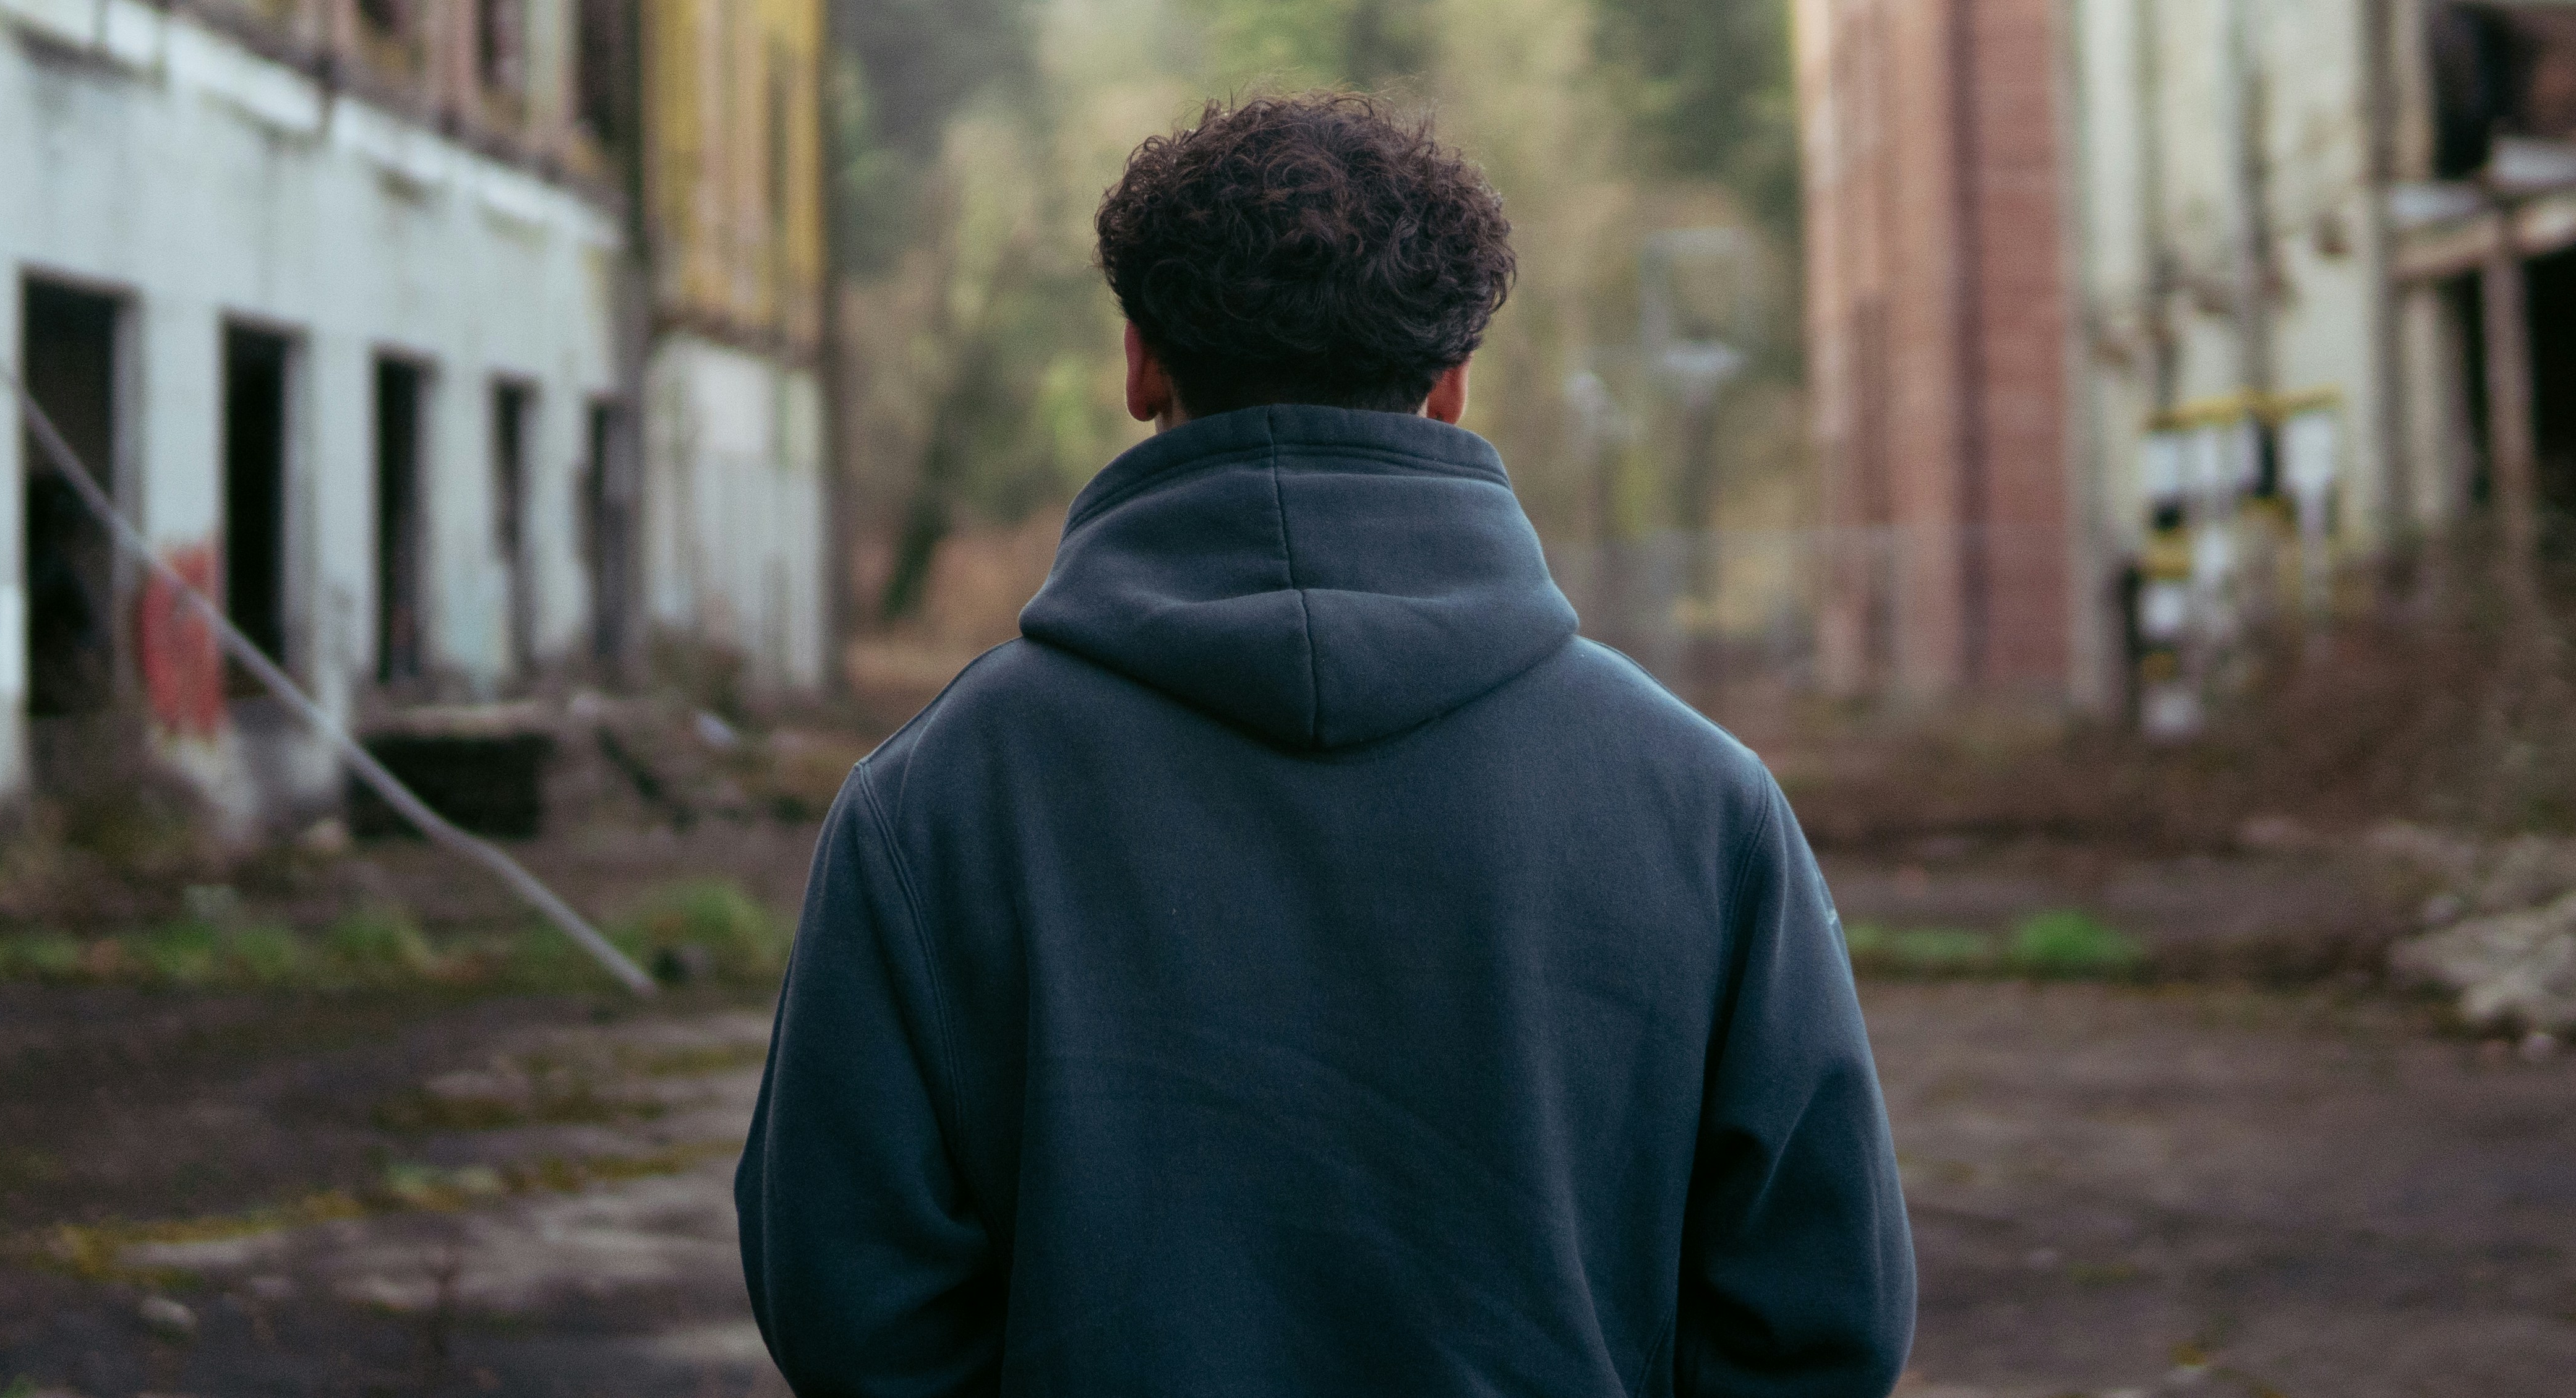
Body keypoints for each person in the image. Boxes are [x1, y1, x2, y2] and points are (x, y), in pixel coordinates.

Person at [737, 93, 1912, 1394]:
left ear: (1139, 365)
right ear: (1452, 385)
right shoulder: (1706, 805)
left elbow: (850, 1300)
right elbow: (1818, 1314)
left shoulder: (931, 804)